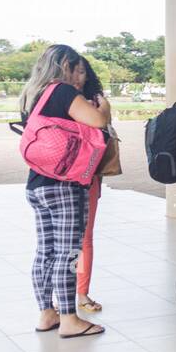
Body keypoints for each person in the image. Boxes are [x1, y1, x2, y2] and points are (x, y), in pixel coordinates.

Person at [20, 45, 110, 337]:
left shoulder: (33, 95)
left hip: (38, 183)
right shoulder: (62, 91)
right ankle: (70, 319)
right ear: (65, 67)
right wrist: (104, 109)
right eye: (78, 69)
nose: (81, 77)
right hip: (65, 185)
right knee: (69, 253)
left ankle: (47, 313)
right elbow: (97, 121)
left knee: (45, 251)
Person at [75, 58, 108, 314]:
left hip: (87, 176)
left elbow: (102, 126)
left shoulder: (93, 102)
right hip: (59, 178)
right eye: (72, 70)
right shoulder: (50, 99)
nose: (77, 76)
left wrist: (102, 106)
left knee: (85, 237)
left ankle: (82, 293)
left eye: (82, 70)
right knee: (57, 241)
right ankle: (58, 296)